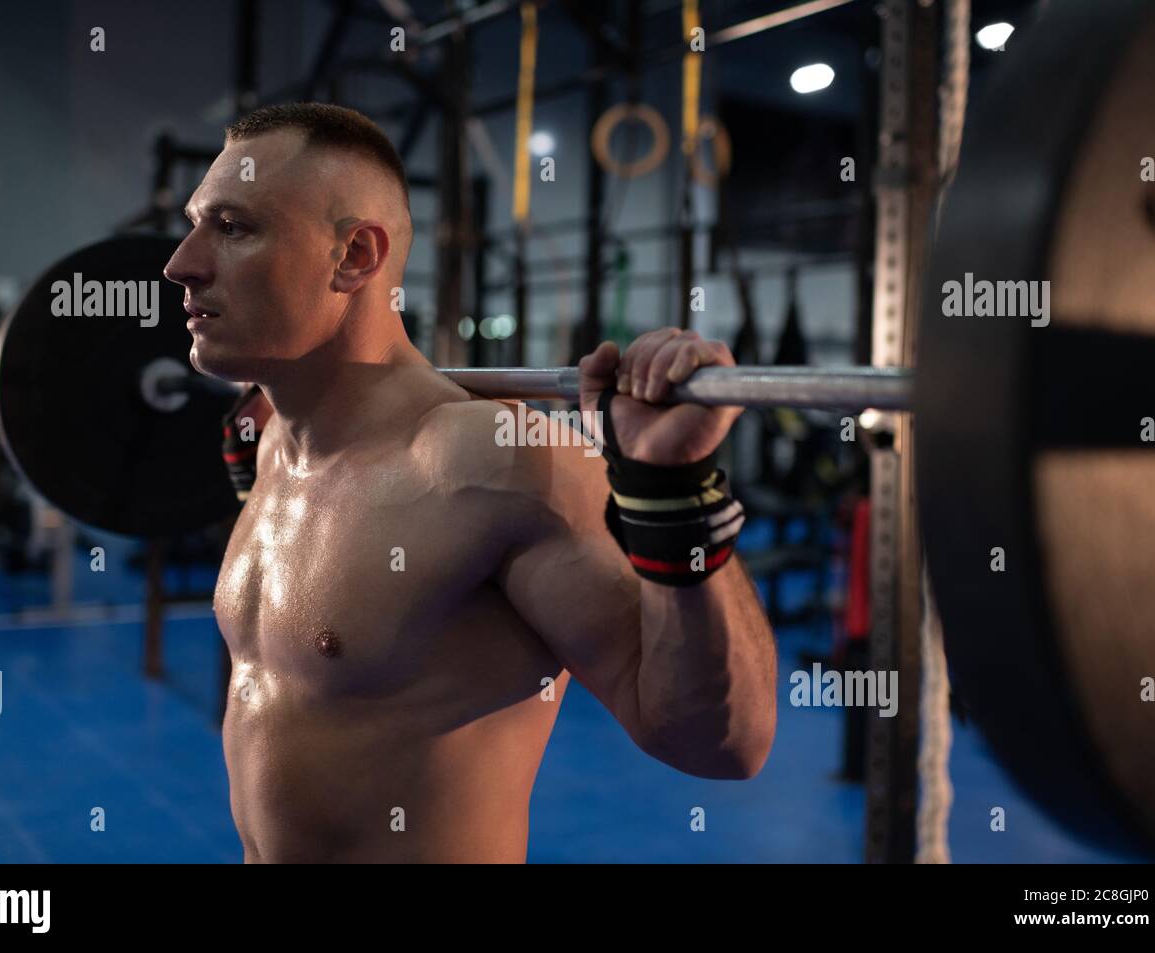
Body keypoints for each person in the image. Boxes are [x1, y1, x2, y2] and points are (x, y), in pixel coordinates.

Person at [164, 102, 777, 863]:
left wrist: (671, 493)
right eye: (195, 224)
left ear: (354, 256)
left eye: (232, 227)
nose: (181, 263)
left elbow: (724, 742)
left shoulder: (494, 461)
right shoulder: (271, 446)